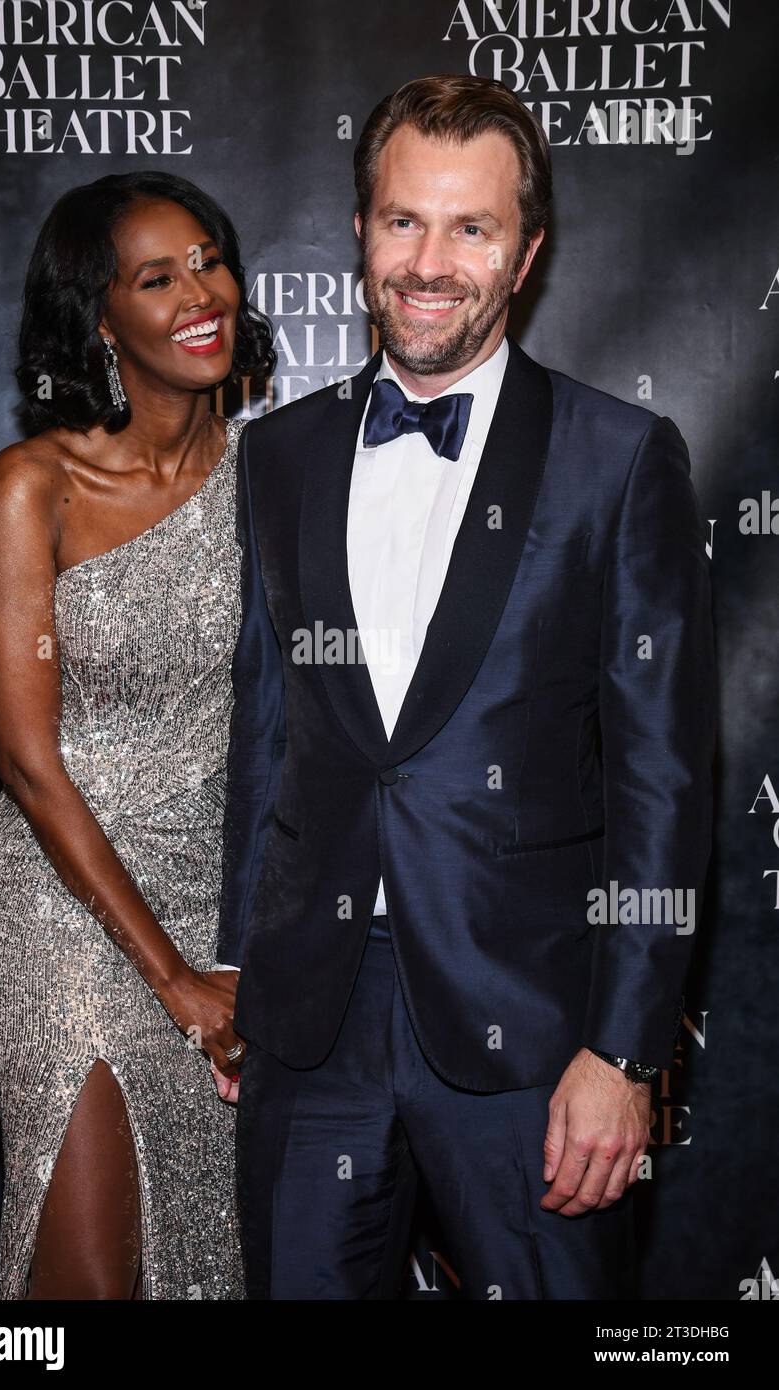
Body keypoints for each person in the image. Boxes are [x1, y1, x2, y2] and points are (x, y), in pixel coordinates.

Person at [216, 76, 717, 1299]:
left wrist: (623, 1049)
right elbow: (269, 726)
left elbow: (662, 778)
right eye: (402, 222)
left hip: (534, 1039)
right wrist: (242, 971)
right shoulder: (280, 453)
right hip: (312, 1027)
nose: (429, 263)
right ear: (358, 232)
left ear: (526, 251)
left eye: (470, 228)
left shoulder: (617, 458)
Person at [0, 170, 274, 1299]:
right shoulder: (34, 485)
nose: (201, 293)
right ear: (99, 319)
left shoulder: (277, 478)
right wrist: (173, 982)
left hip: (223, 906)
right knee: (88, 1279)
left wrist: (231, 962)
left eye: (208, 259)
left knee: (207, 1266)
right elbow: (26, 763)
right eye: (158, 277)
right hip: (70, 909)